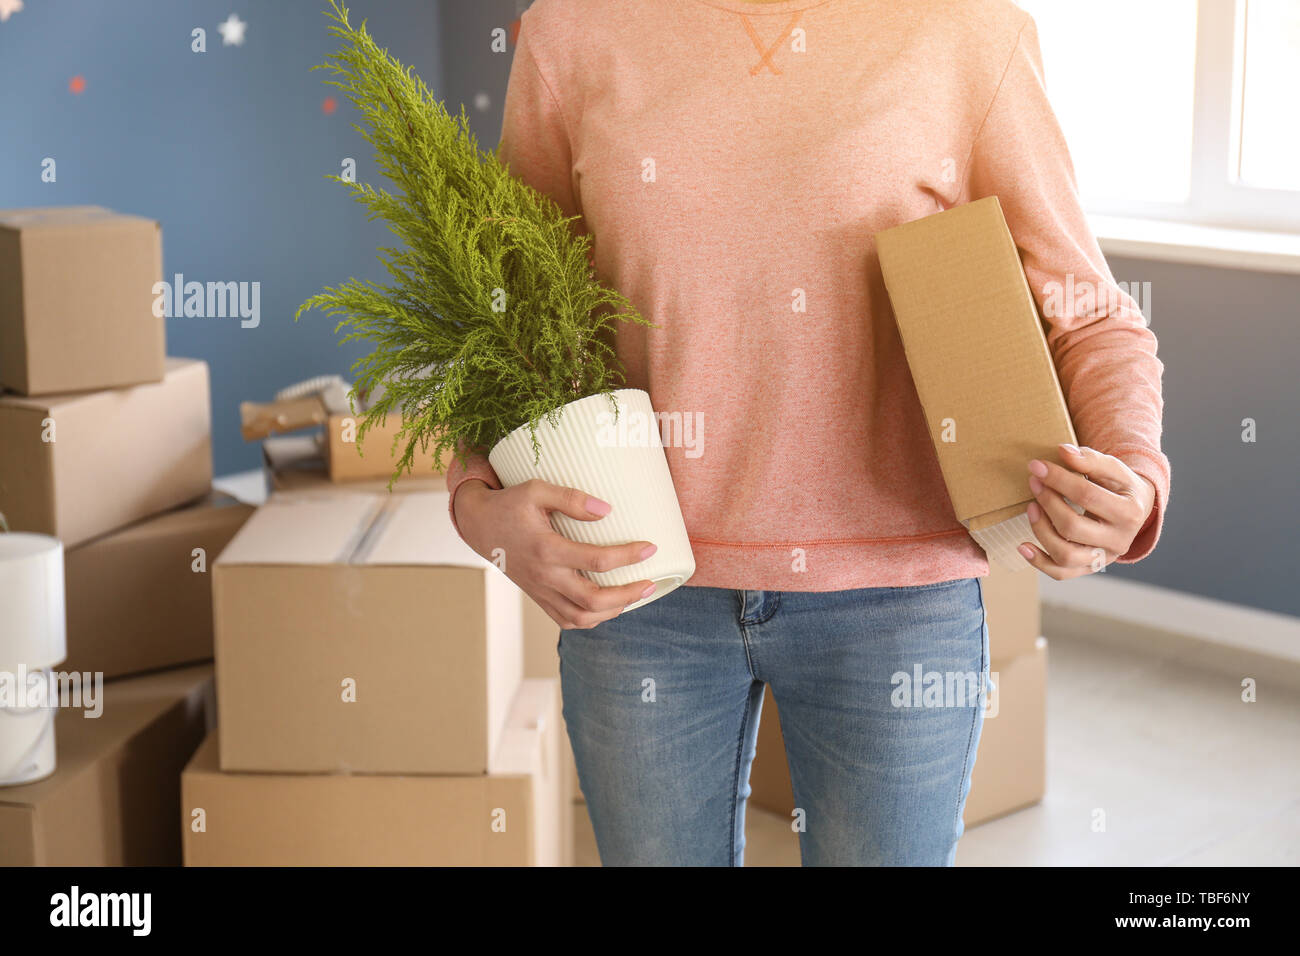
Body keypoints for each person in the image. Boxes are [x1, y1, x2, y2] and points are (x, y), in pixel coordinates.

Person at [447, 0, 1169, 866]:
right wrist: (475, 503)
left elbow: (1088, 315)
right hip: (637, 586)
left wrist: (1134, 468)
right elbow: (503, 322)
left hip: (898, 601)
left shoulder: (969, 31)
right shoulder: (574, 30)